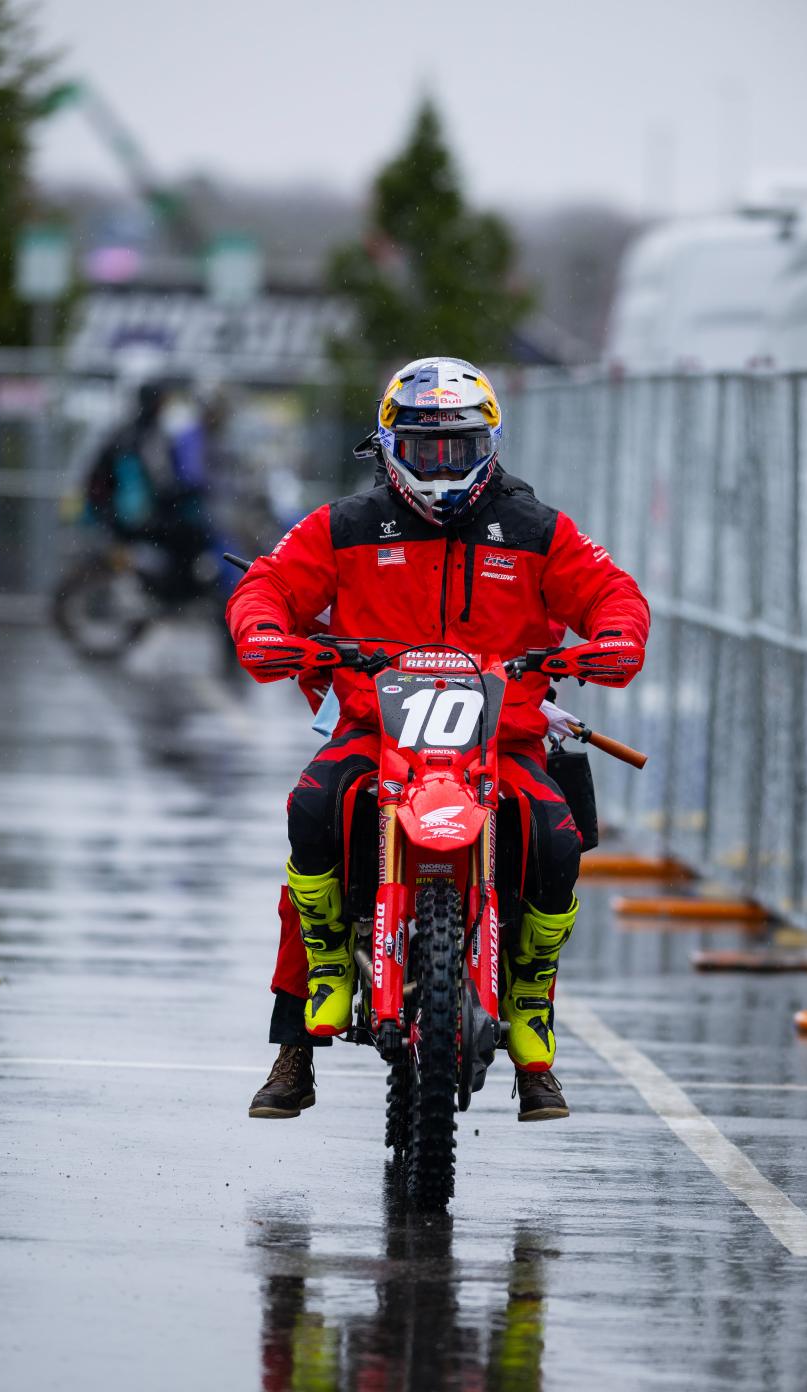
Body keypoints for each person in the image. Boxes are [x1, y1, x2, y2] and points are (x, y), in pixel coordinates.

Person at [227, 357, 649, 1122]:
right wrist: (262, 627)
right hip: (374, 731)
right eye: (426, 450)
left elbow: (611, 592)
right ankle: (305, 1021)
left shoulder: (538, 529)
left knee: (557, 840)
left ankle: (531, 1008)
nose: (444, 466)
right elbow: (270, 584)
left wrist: (615, 637)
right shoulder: (345, 525)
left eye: (460, 448)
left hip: (504, 742)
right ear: (390, 447)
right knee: (312, 809)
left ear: (491, 445)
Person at [85, 380, 216, 599]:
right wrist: (188, 491)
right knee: (194, 535)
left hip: (113, 516)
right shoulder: (148, 436)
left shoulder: (122, 433)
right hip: (136, 518)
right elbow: (159, 486)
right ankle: (174, 596)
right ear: (156, 403)